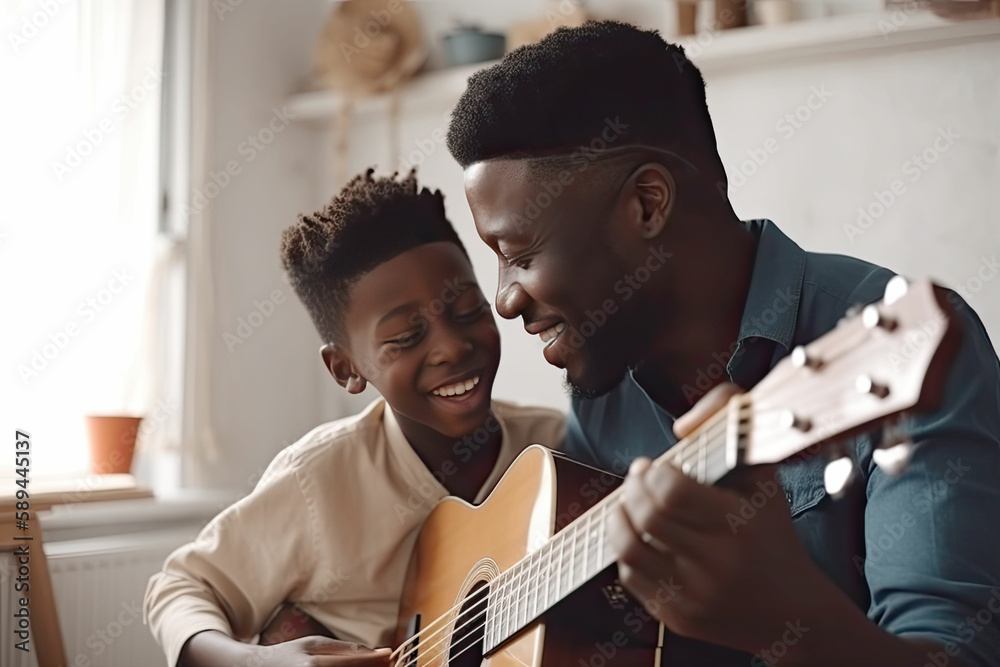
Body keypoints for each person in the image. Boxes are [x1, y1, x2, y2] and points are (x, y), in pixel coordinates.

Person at [446, 20, 1000, 667]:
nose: (505, 298)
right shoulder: (605, 391)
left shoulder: (907, 353)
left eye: (519, 254)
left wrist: (789, 622)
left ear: (648, 204)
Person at [143, 170, 566, 667]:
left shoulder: (558, 451)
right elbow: (179, 588)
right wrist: (260, 663)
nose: (451, 347)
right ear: (346, 368)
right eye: (407, 338)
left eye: (469, 309)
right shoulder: (317, 481)